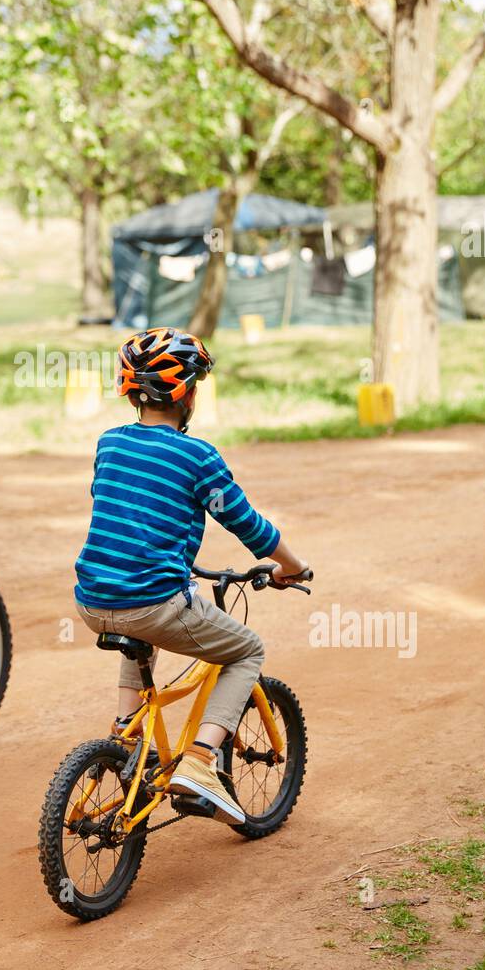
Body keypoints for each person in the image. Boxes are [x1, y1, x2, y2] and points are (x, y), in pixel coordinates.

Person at [74, 327, 309, 824]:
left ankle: (125, 739)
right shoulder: (197, 456)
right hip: (155, 602)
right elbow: (248, 525)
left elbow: (128, 510)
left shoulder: (109, 444)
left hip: (93, 599)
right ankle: (200, 763)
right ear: (187, 393)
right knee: (247, 650)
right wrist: (290, 567)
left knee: (137, 631)